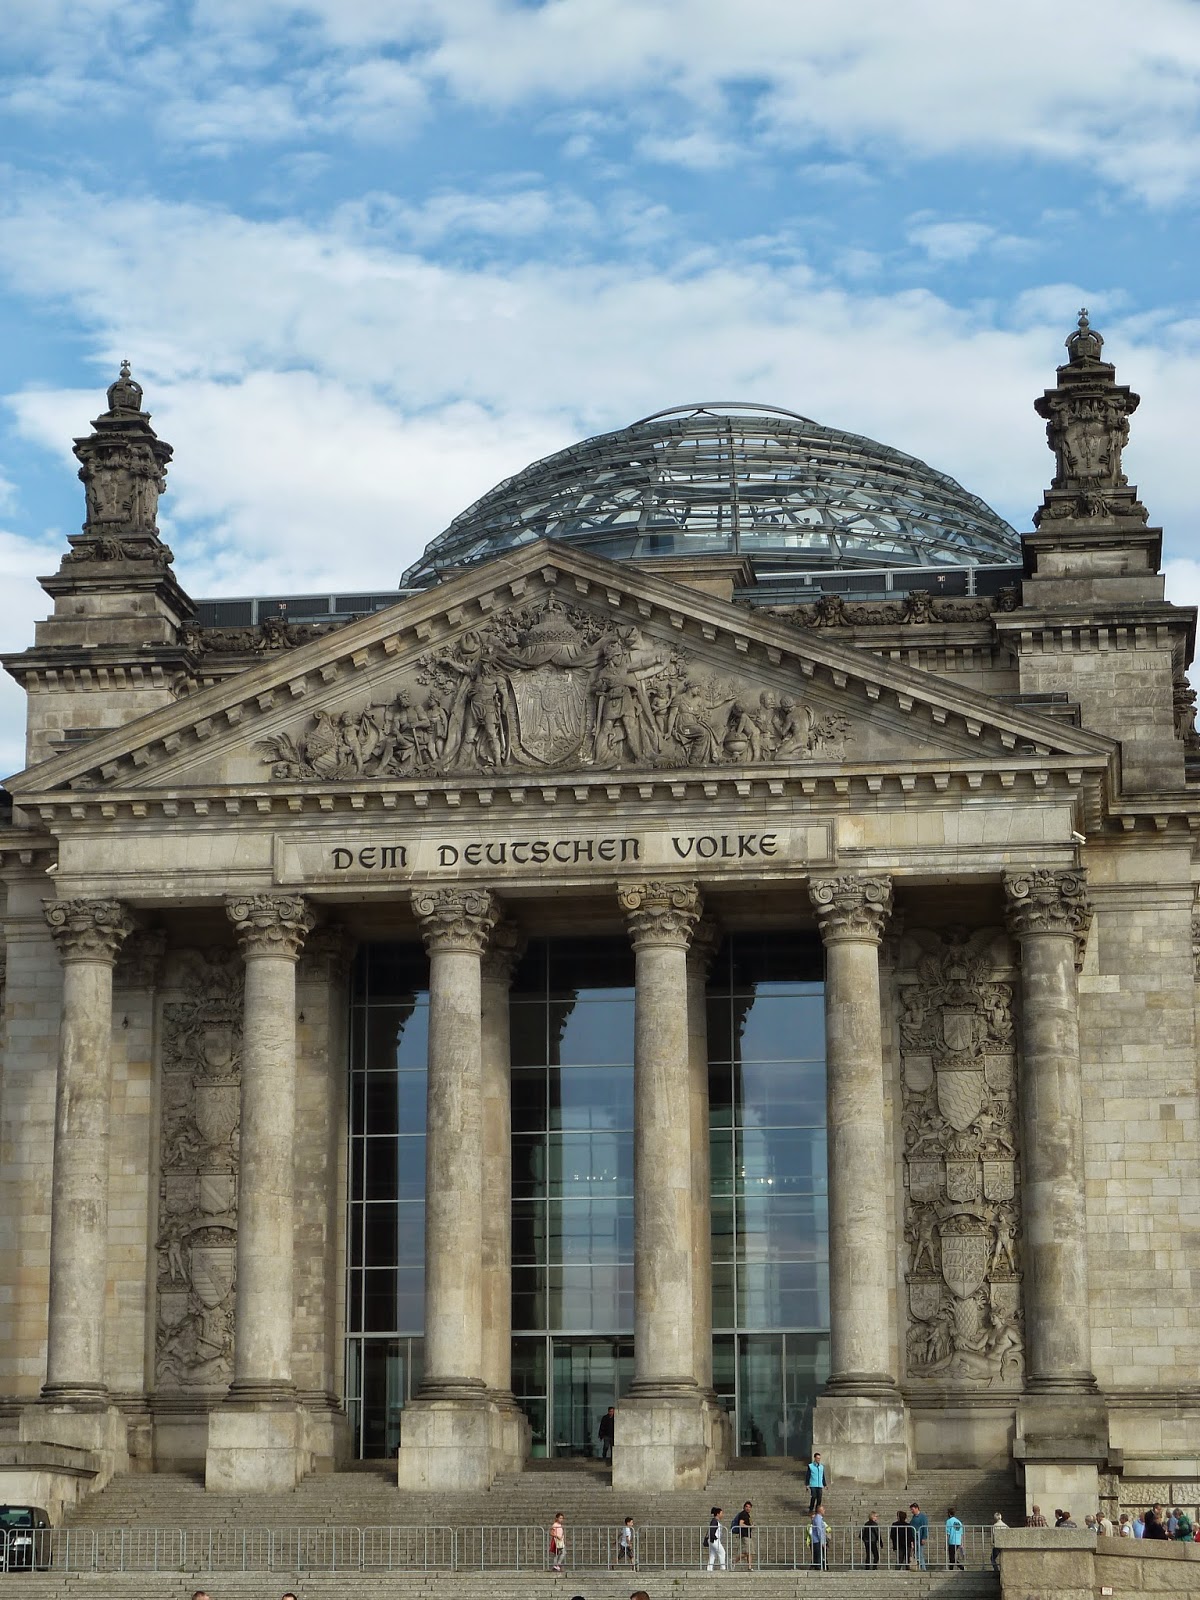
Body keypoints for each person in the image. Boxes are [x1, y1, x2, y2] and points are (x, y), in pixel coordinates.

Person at [731, 1502, 753, 1570]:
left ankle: (749, 1567)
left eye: (749, 1507)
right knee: (747, 1552)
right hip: (745, 1536)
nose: (748, 1508)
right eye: (746, 1506)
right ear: (744, 1507)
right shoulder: (743, 1514)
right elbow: (741, 1524)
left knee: (750, 1552)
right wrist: (749, 1526)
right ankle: (734, 1560)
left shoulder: (747, 1515)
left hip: (748, 1535)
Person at [706, 1507, 726, 1573]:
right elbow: (712, 1531)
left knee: (712, 1554)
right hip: (714, 1540)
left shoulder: (714, 1521)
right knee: (722, 1552)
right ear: (717, 1514)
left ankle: (709, 1568)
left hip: (712, 1540)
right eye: (721, 1513)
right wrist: (714, 1538)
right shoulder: (714, 1521)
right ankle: (722, 1567)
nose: (722, 1515)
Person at [909, 1502, 929, 1570]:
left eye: (912, 1509)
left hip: (920, 1538)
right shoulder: (913, 1517)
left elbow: (925, 1527)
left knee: (919, 1554)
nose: (912, 1511)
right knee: (917, 1554)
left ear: (917, 1508)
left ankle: (923, 1568)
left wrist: (924, 1537)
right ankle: (920, 1568)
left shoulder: (923, 1517)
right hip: (914, 1538)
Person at [810, 1505, 828, 1571]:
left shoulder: (818, 1518)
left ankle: (819, 1566)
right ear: (820, 1511)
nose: (824, 1511)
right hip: (817, 1540)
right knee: (818, 1555)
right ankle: (818, 1567)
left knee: (819, 1555)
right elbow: (819, 1530)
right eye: (823, 1509)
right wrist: (822, 1541)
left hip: (817, 1540)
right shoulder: (818, 1518)